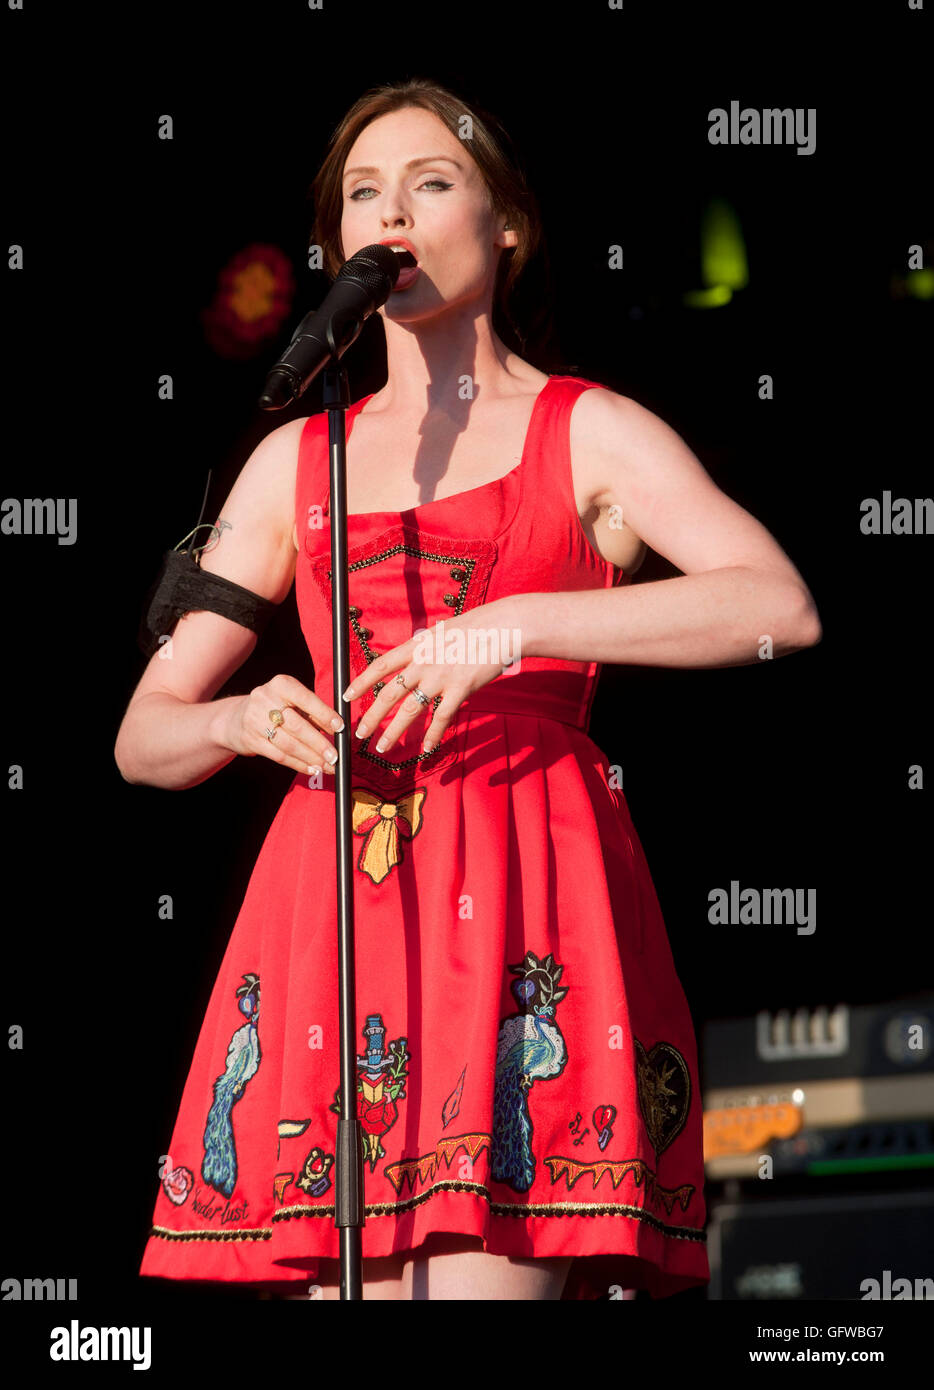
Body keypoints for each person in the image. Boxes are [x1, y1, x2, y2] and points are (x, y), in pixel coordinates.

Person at [115, 79, 821, 1302]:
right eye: (363, 193)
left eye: (430, 182)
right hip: (335, 907)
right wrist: (239, 716)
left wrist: (512, 627)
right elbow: (144, 736)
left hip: (521, 886)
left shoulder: (587, 429)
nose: (391, 211)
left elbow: (775, 605)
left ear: (507, 228)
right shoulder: (296, 460)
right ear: (336, 247)